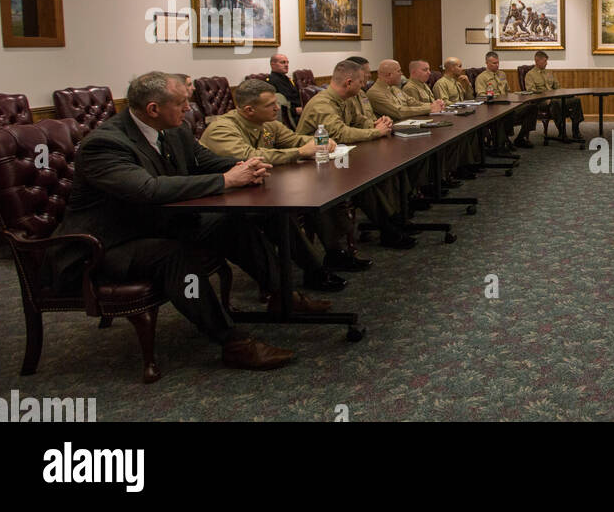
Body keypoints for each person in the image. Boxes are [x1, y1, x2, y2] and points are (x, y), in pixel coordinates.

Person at [47, 71, 304, 372]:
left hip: (157, 224)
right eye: (182, 103)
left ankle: (282, 295)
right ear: (153, 109)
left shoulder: (174, 129)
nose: (189, 108)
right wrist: (226, 180)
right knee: (174, 256)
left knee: (233, 221)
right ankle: (232, 343)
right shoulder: (105, 145)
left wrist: (247, 166)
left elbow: (204, 162)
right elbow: (147, 189)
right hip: (106, 245)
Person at [200, 78, 370, 285]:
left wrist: (318, 141)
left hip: (262, 185)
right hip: (229, 197)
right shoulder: (222, 129)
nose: (276, 108)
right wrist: (300, 152)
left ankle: (335, 253)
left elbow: (294, 140)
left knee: (317, 193)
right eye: (269, 105)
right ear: (249, 110)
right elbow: (249, 156)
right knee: (284, 212)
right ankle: (313, 270)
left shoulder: (269, 124)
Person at [296, 60, 417, 249]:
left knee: (370, 180)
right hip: (313, 166)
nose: (364, 86)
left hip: (337, 160)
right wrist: (376, 132)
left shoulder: (344, 100)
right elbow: (340, 133)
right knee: (362, 182)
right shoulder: (323, 104)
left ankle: (392, 224)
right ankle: (387, 228)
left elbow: (358, 121)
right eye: (361, 82)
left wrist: (379, 123)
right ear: (349, 82)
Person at [476, 51, 536, 148]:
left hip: (508, 105)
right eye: (494, 63)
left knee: (531, 108)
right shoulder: (481, 78)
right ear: (487, 63)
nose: (497, 65)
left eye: (498, 62)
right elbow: (481, 96)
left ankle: (520, 138)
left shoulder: (502, 74)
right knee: (508, 114)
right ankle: (504, 141)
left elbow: (507, 91)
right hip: (494, 109)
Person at [526, 50, 584, 141]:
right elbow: (531, 92)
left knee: (576, 100)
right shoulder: (530, 75)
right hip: (541, 101)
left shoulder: (549, 73)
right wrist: (547, 96)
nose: (546, 63)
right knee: (555, 102)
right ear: (537, 61)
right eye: (544, 61)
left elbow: (557, 87)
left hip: (555, 98)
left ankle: (576, 130)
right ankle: (562, 132)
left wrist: (564, 93)